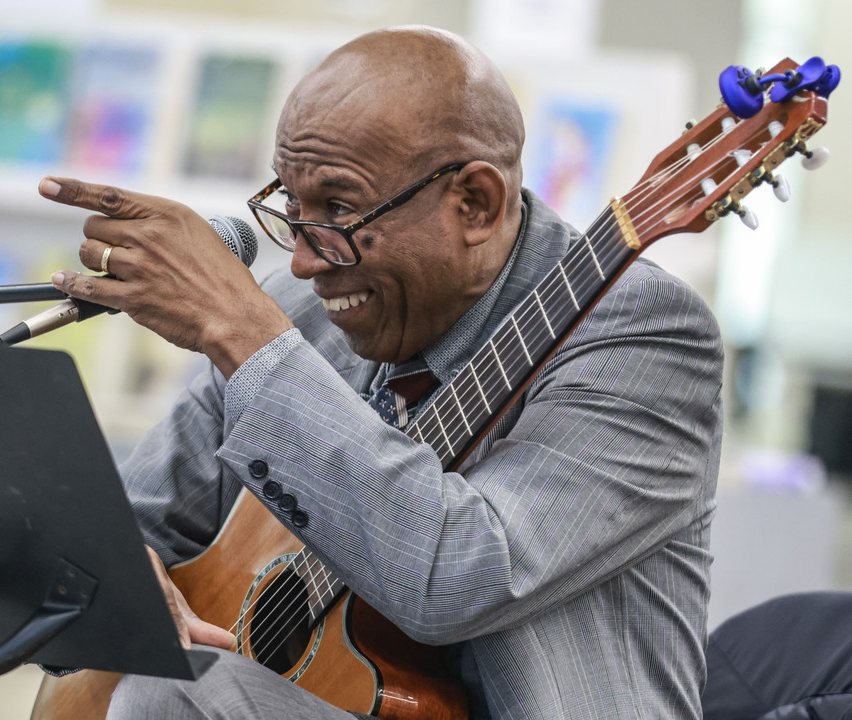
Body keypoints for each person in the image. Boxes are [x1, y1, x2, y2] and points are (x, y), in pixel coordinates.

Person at [38, 25, 724, 720]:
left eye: (336, 208)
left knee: (174, 692)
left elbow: (456, 578)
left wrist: (244, 335)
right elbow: (123, 527)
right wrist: (125, 581)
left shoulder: (644, 333)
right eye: (292, 207)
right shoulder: (296, 312)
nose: (303, 261)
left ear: (475, 204)